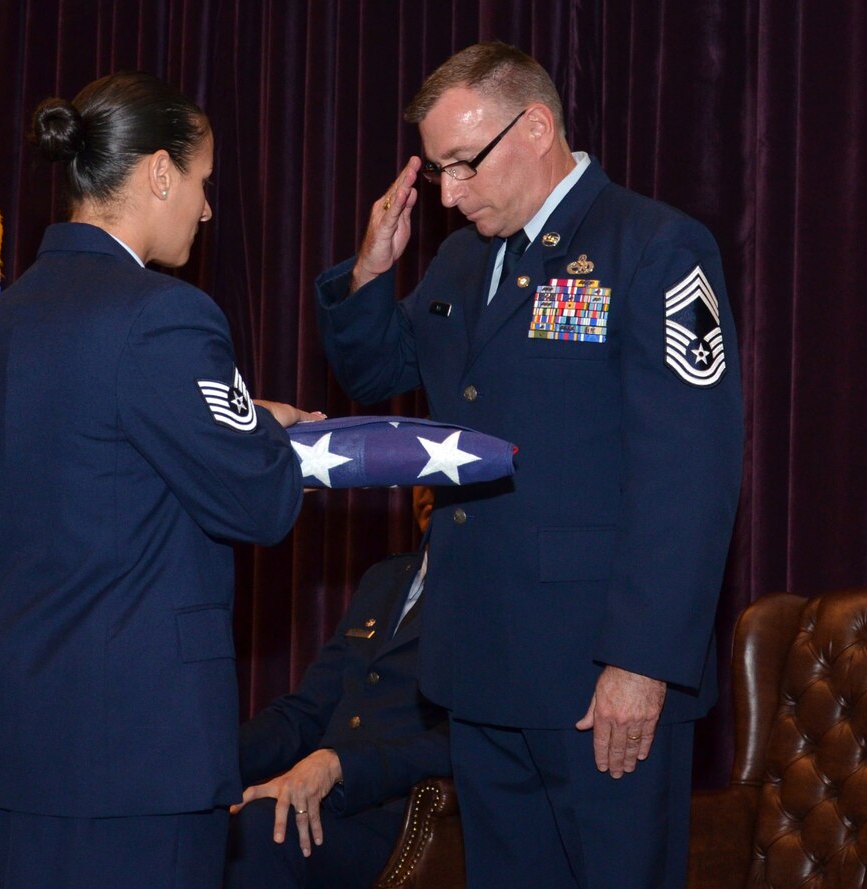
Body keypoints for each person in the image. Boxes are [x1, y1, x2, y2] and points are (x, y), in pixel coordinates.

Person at [314, 42, 743, 889]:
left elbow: (690, 476)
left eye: (462, 164)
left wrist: (643, 662)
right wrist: (368, 272)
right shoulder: (464, 258)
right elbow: (378, 373)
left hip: (598, 679)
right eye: (437, 170)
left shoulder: (652, 247)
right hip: (479, 668)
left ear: (537, 126)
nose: (448, 192)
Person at [0, 72, 316, 889]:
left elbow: (98, 452)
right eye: (203, 182)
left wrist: (236, 419)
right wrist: (263, 431)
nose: (207, 208)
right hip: (133, 748)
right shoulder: (165, 315)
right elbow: (259, 501)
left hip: (17, 727)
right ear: (159, 172)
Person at [225, 486, 448, 889]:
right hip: (327, 808)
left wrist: (339, 764)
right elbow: (306, 712)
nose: (429, 488)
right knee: (190, 816)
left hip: (400, 819)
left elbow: (464, 740)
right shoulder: (384, 579)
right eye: (421, 476)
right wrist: (209, 762)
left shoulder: (485, 597)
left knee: (260, 830)